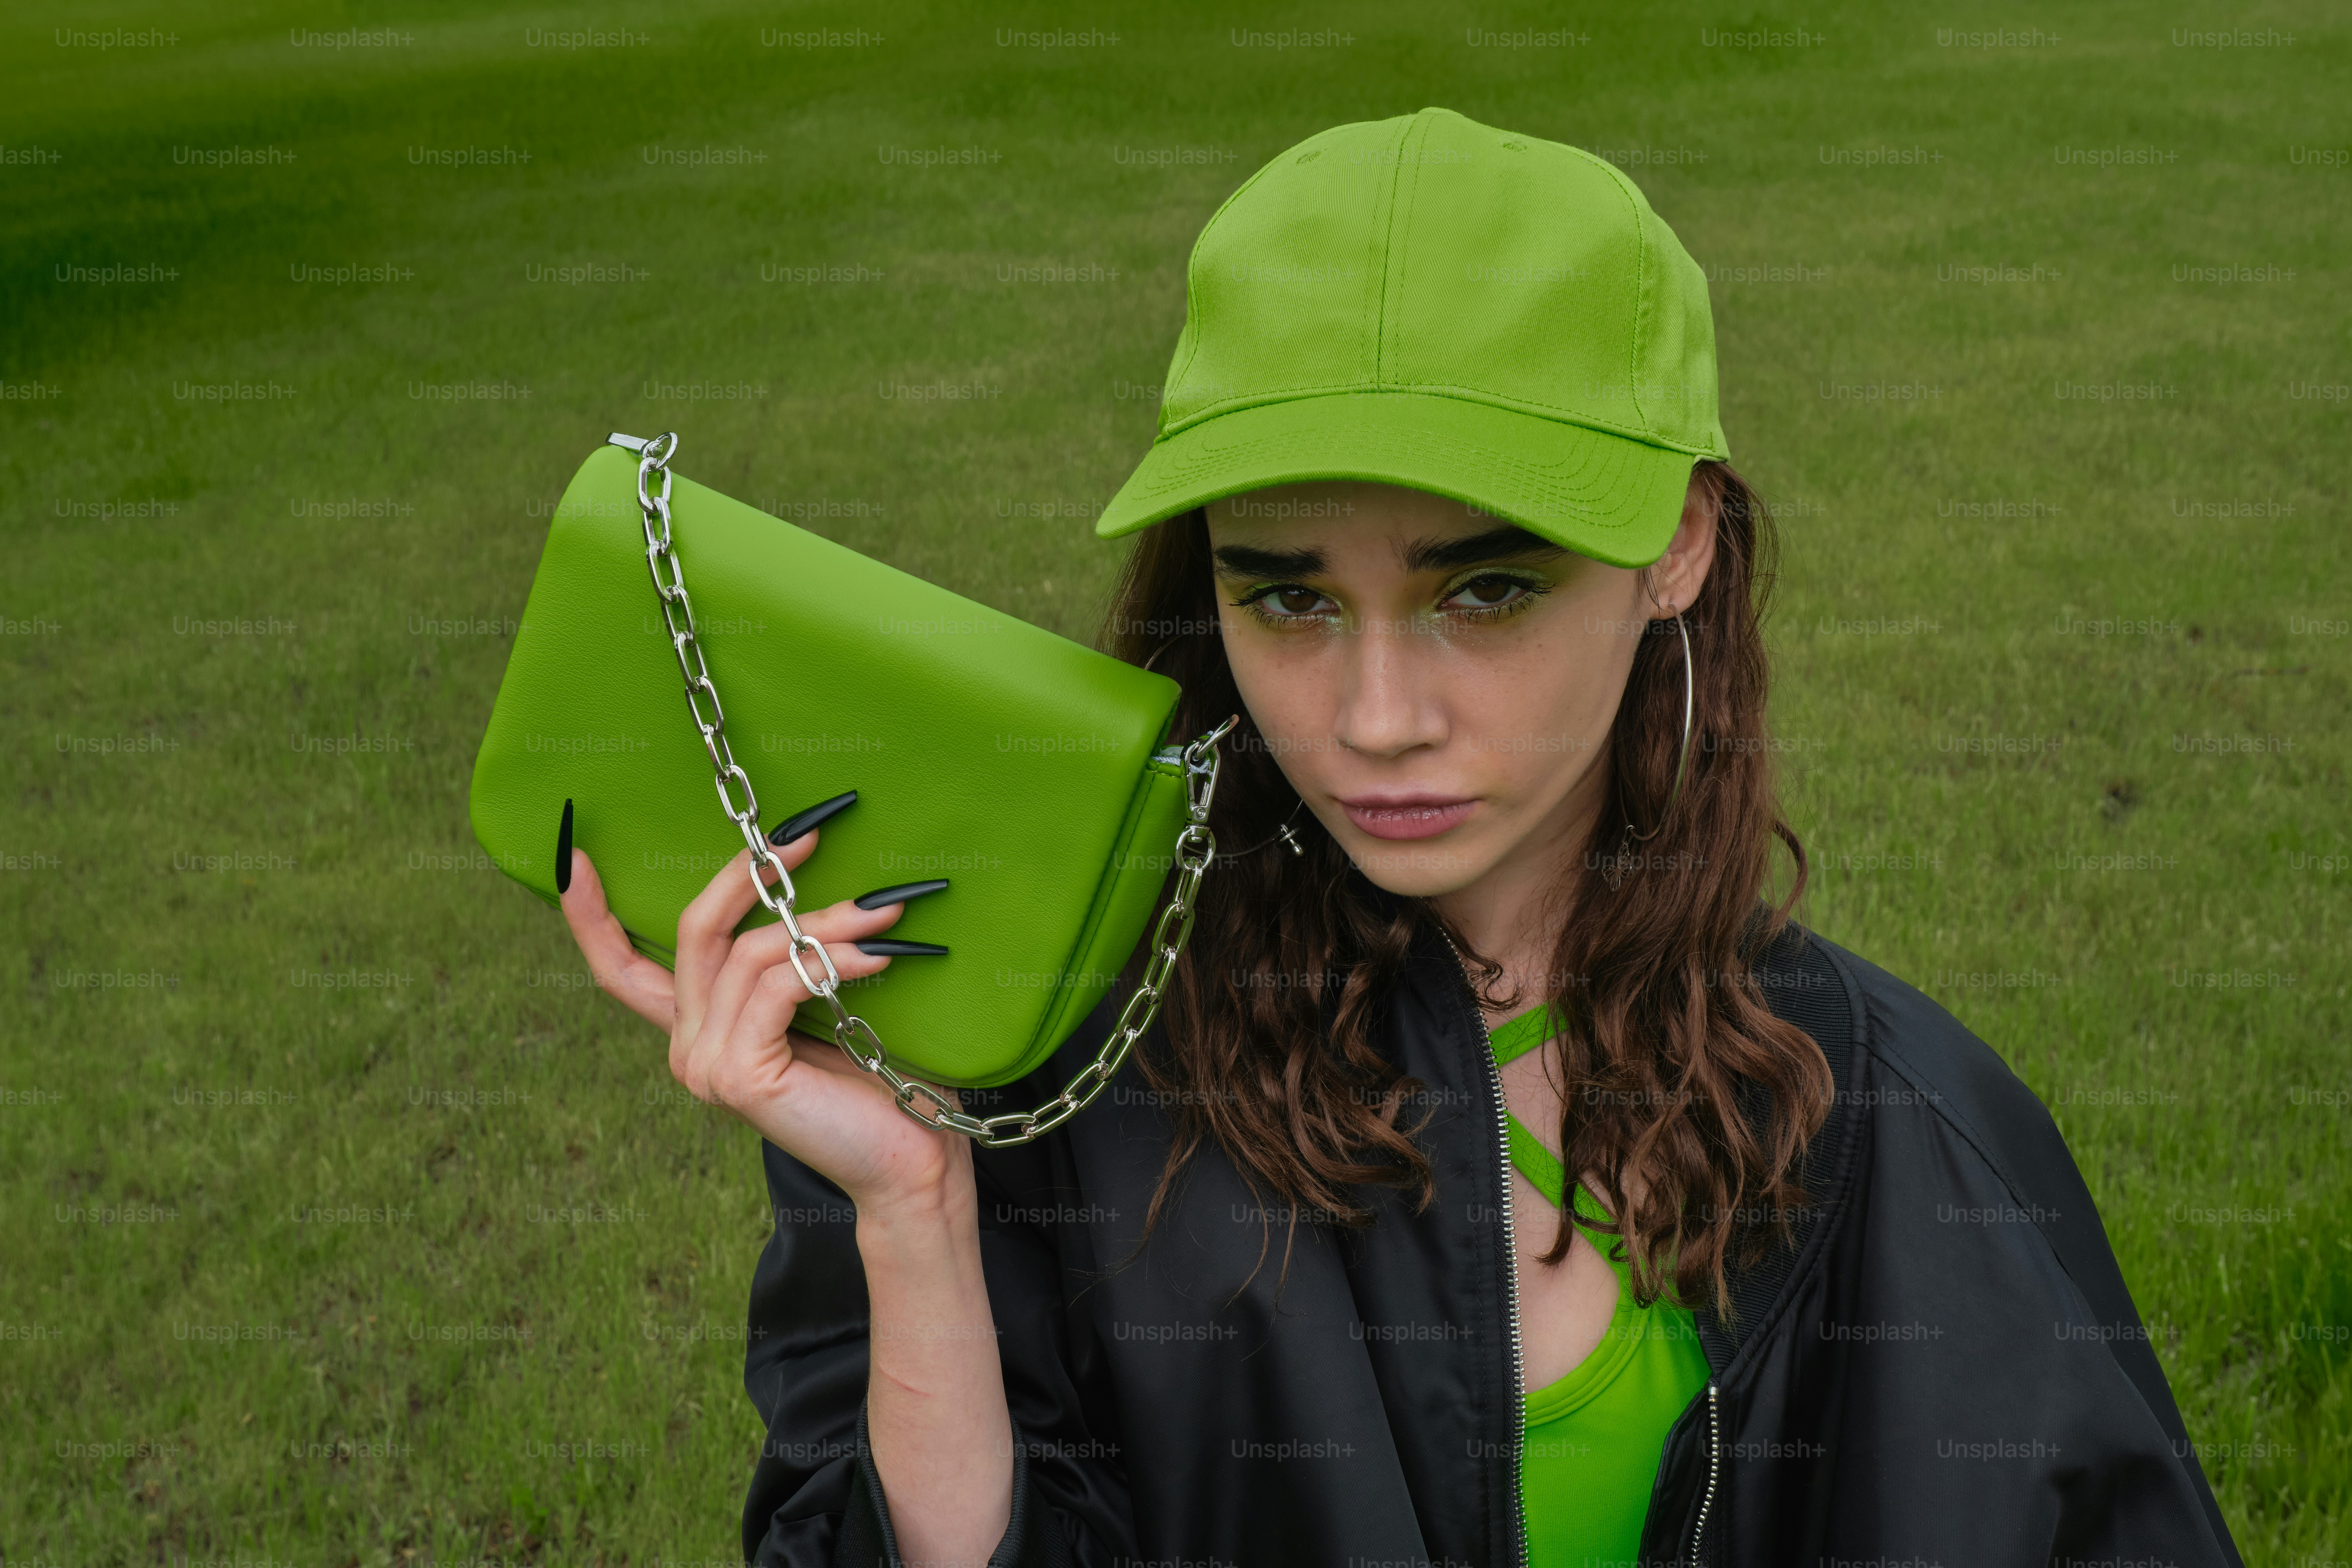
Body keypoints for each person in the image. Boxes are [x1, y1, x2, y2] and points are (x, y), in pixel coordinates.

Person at [556, 109, 2241, 1568]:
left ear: (1677, 546)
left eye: (1483, 590)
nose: (1371, 717)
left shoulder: (1911, 1134)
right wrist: (916, 1221)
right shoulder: (1027, 1073)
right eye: (1285, 593)